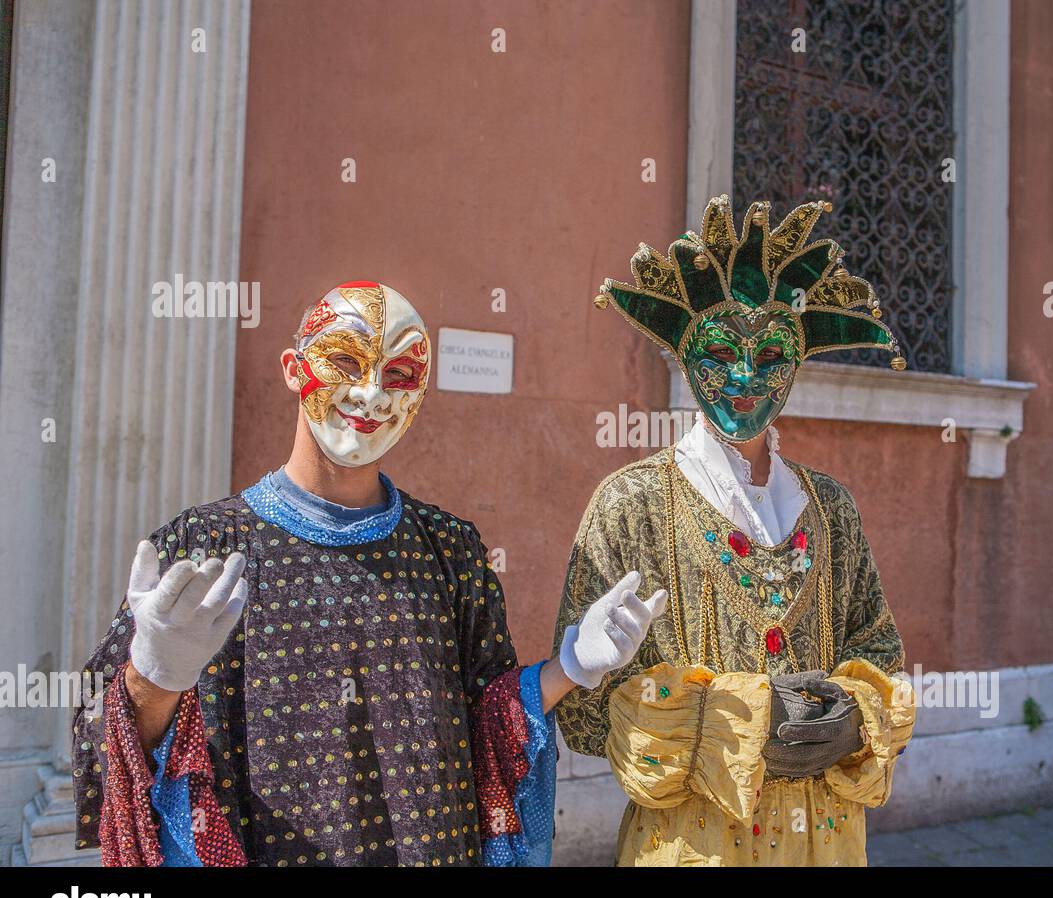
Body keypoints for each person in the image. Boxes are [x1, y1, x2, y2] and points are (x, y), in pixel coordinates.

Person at [73, 280, 664, 866]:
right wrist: (155, 677)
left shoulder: (451, 551)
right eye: (345, 362)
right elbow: (111, 750)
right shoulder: (201, 547)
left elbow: (488, 727)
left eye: (400, 375)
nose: (371, 393)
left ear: (420, 398)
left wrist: (571, 667)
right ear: (292, 367)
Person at [552, 196, 917, 866]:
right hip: (694, 844)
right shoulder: (630, 505)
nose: (747, 377)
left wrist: (855, 717)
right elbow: (581, 713)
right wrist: (738, 721)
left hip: (825, 844)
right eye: (722, 351)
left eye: (772, 353)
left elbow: (881, 650)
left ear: (799, 361)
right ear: (686, 354)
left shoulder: (830, 506)